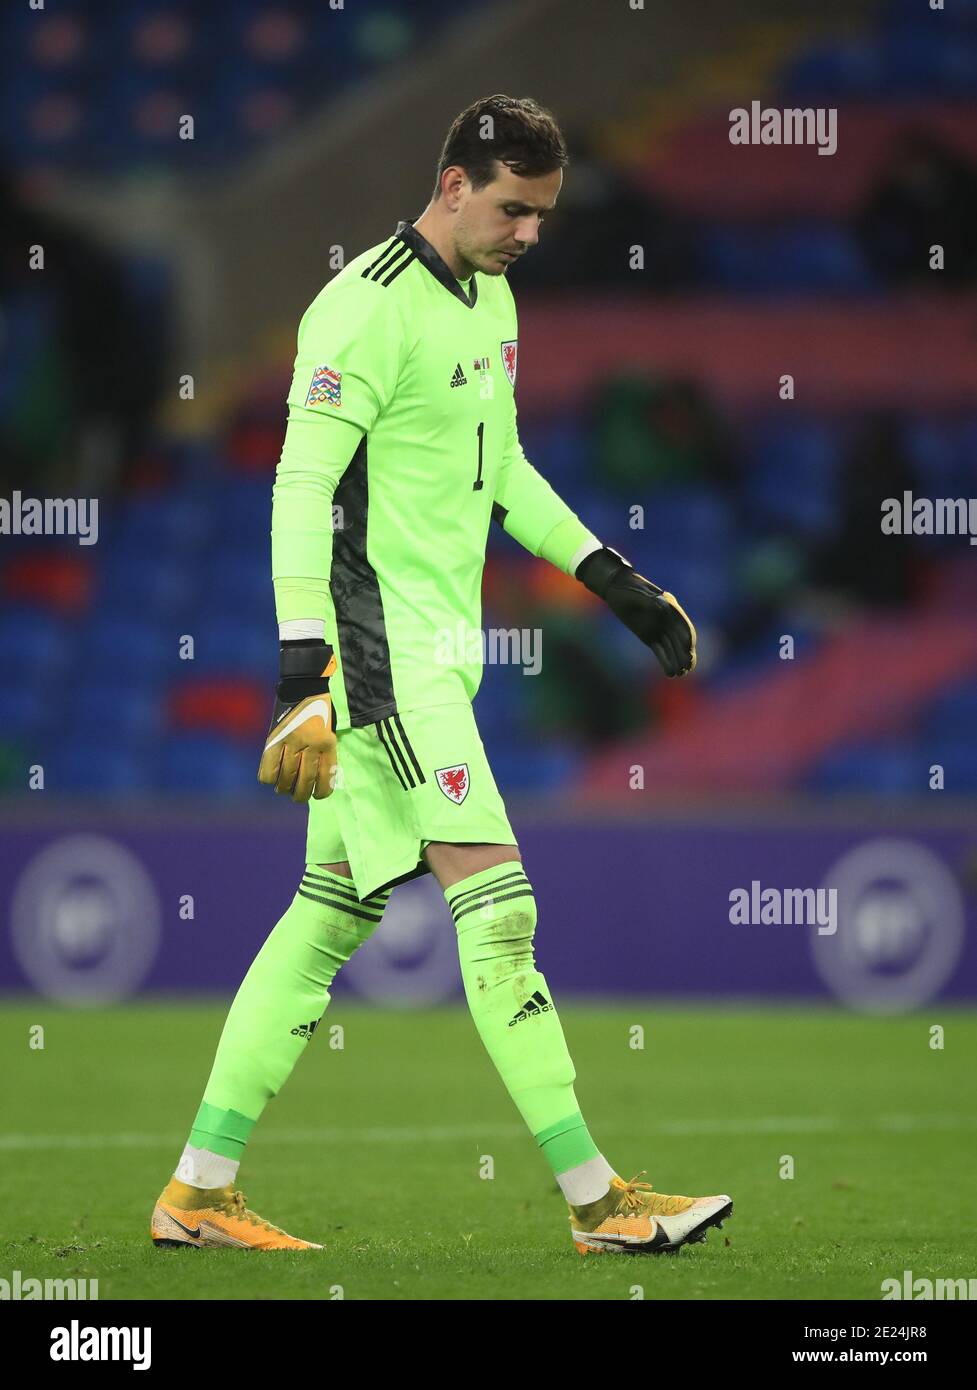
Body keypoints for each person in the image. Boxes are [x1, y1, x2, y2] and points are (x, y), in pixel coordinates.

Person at [150, 94, 729, 1258]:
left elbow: (500, 462)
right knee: (499, 909)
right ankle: (597, 1201)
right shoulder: (360, 311)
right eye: (513, 208)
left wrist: (608, 574)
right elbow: (299, 491)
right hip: (379, 658)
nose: (528, 233)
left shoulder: (491, 297)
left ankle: (197, 1192)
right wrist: (301, 677)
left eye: (543, 215)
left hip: (435, 653)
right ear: (454, 182)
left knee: (326, 917)